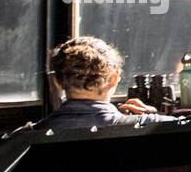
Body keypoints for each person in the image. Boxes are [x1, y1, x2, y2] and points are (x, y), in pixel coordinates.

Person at [41, 37, 178, 130]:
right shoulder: (155, 125)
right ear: (114, 78)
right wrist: (154, 114)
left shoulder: (25, 136)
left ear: (57, 81)